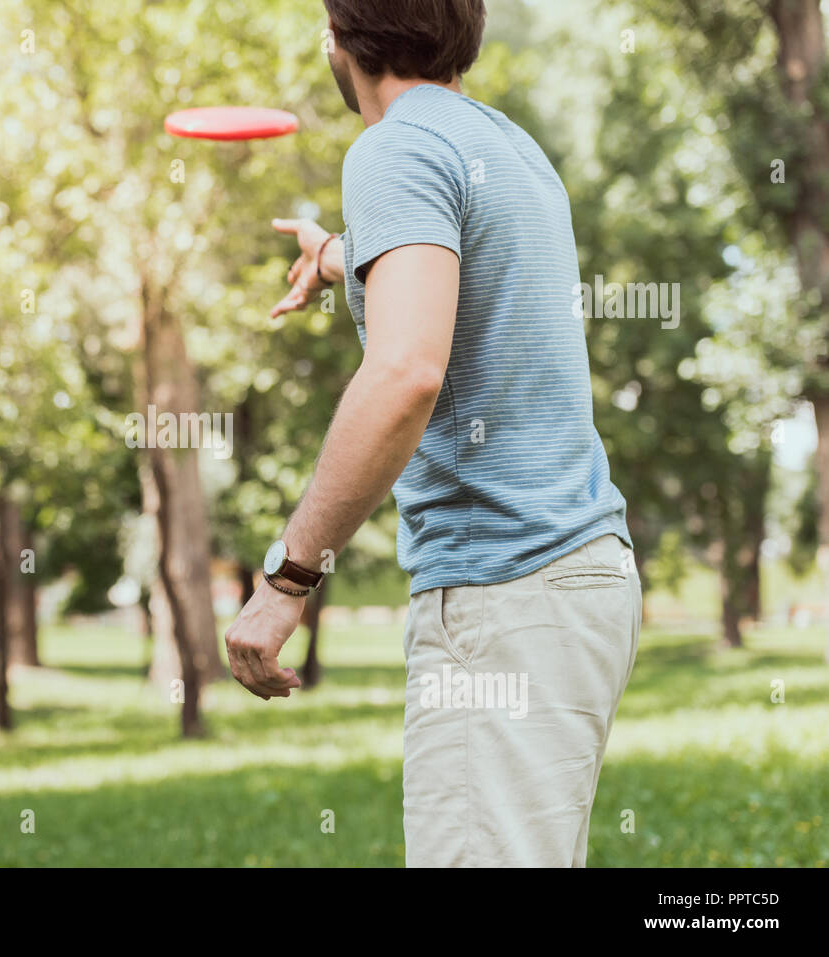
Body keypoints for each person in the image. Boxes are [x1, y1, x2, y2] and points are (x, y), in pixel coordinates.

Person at [224, 0, 641, 867]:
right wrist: (339, 254)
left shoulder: (394, 147)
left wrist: (288, 578)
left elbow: (407, 370)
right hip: (578, 574)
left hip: (503, 588)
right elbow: (463, 259)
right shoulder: (510, 149)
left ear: (341, 40)